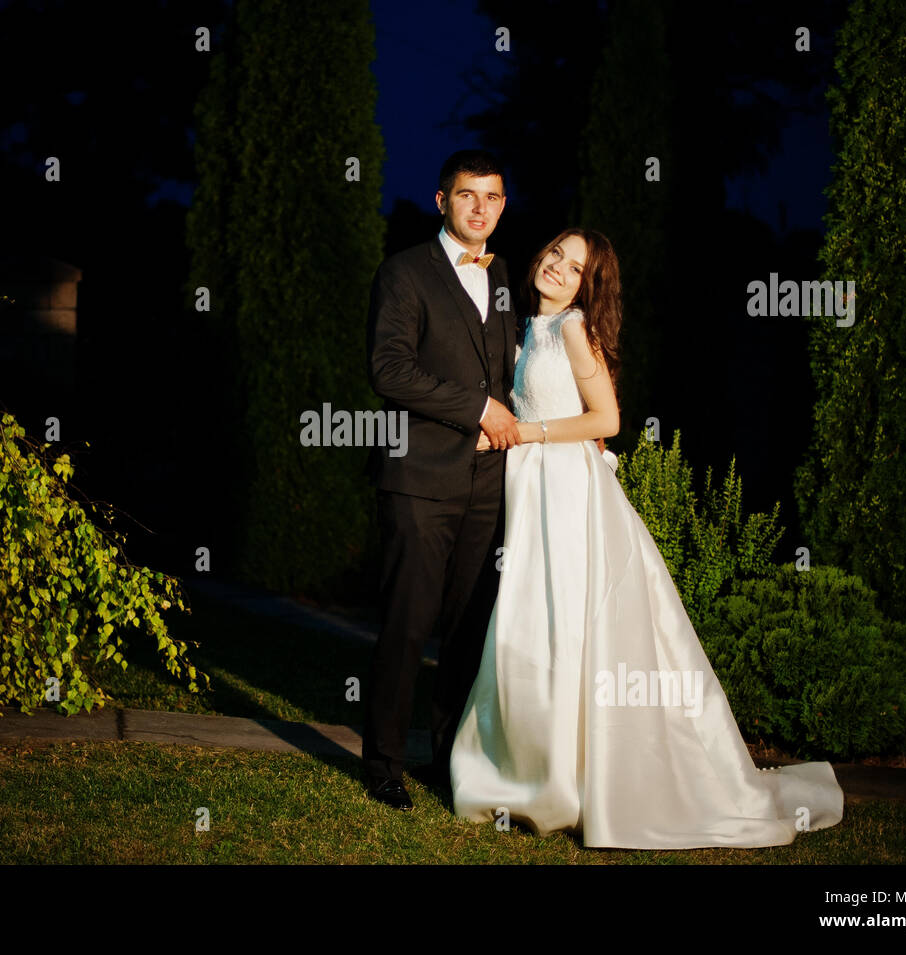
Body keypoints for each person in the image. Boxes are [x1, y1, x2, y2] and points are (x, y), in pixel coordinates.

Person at [450, 227, 845, 848]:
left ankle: (582, 782)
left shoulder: (573, 329)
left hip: (568, 496)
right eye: (555, 253)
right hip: (532, 489)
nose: (557, 267)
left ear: (587, 285)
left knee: (570, 628)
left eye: (574, 267)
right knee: (531, 626)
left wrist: (523, 435)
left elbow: (606, 419)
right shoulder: (527, 326)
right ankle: (539, 774)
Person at [361, 150, 520, 811]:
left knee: (467, 627)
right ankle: (384, 765)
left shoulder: (505, 273)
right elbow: (390, 370)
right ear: (440, 200)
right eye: (466, 196)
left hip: (487, 482)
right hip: (420, 477)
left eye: (491, 197)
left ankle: (449, 759)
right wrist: (478, 409)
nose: (480, 208)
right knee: (406, 624)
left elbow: (507, 370)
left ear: (503, 205)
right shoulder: (404, 273)